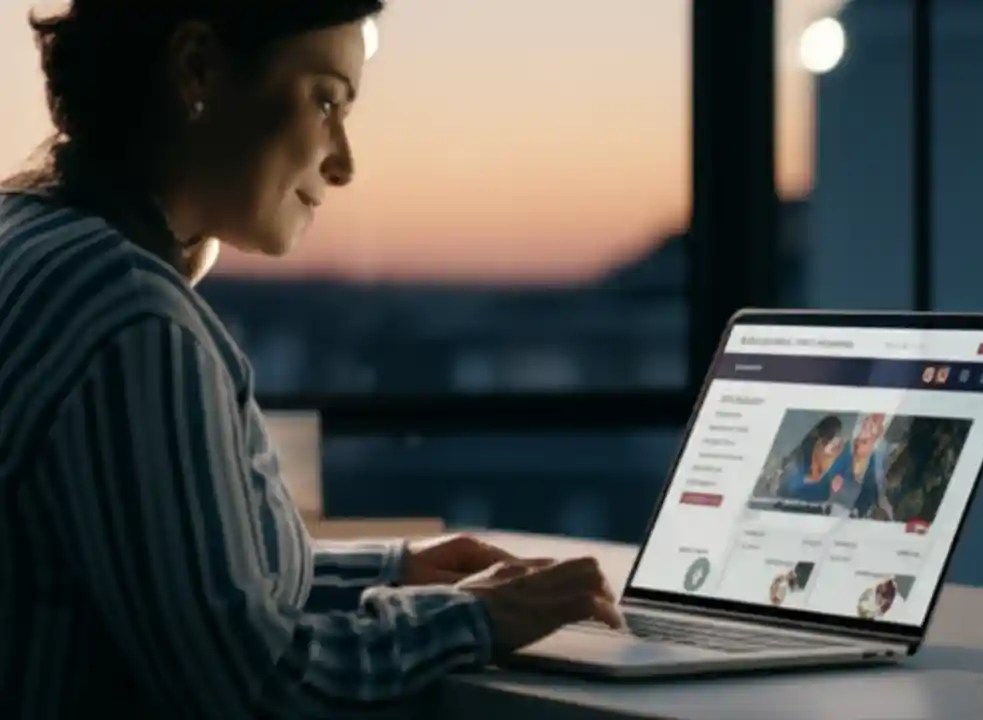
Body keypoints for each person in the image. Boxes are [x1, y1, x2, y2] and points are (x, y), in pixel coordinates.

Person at [0, 2, 623, 718]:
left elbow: (162, 572)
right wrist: (474, 622)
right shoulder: (133, 319)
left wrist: (393, 571)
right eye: (325, 100)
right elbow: (251, 683)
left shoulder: (29, 240)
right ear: (197, 66)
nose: (344, 162)